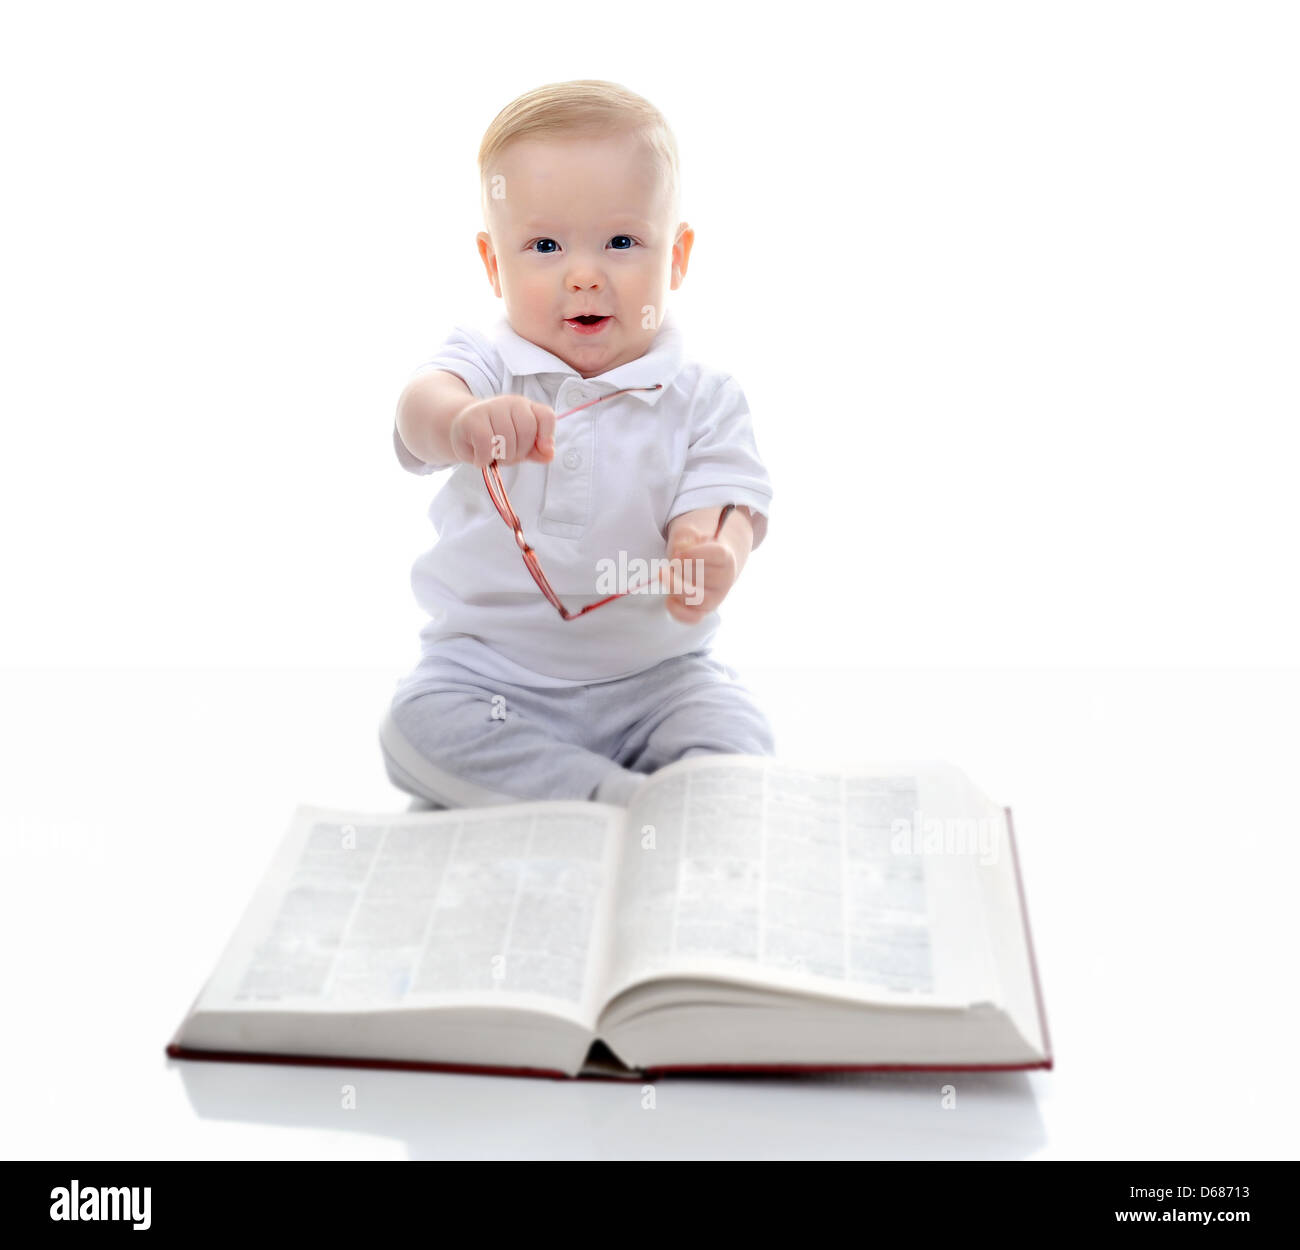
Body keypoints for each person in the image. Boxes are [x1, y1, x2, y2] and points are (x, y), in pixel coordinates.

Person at [380, 79, 775, 810]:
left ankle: (623, 796)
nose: (584, 273)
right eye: (544, 245)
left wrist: (710, 552)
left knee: (735, 732)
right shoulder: (487, 363)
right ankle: (610, 799)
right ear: (494, 265)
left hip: (655, 682)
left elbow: (728, 506)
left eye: (622, 242)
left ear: (678, 257)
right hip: (492, 679)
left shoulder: (702, 396)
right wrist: (460, 422)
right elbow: (416, 412)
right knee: (414, 726)